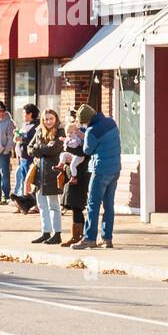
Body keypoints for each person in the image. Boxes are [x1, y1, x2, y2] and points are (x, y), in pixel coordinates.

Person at [71, 103, 122, 250]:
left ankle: (89, 238)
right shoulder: (111, 122)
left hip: (100, 170)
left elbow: (87, 150)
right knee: (109, 205)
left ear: (86, 121)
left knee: (93, 205)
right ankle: (107, 238)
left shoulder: (91, 131)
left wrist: (83, 135)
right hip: (115, 169)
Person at [27, 109, 65, 244]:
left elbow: (55, 149)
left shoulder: (60, 132)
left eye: (51, 119)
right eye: (46, 119)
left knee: (53, 205)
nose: (48, 121)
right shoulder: (39, 131)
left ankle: (57, 233)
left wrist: (40, 149)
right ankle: (46, 232)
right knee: (42, 205)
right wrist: (43, 148)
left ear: (56, 119)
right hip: (39, 173)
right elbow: (29, 148)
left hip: (53, 173)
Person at [59, 122, 91, 246]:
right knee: (74, 206)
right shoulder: (73, 135)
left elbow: (83, 152)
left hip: (80, 176)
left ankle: (78, 236)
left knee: (77, 206)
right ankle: (77, 235)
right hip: (72, 175)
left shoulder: (84, 134)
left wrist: (68, 148)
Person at [12, 103, 39, 200]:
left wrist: (22, 138)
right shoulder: (25, 124)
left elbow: (32, 139)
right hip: (22, 158)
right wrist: (17, 134)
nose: (23, 115)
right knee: (23, 180)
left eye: (24, 113)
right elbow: (21, 135)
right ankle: (24, 201)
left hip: (29, 158)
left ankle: (32, 202)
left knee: (30, 181)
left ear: (30, 114)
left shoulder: (36, 125)